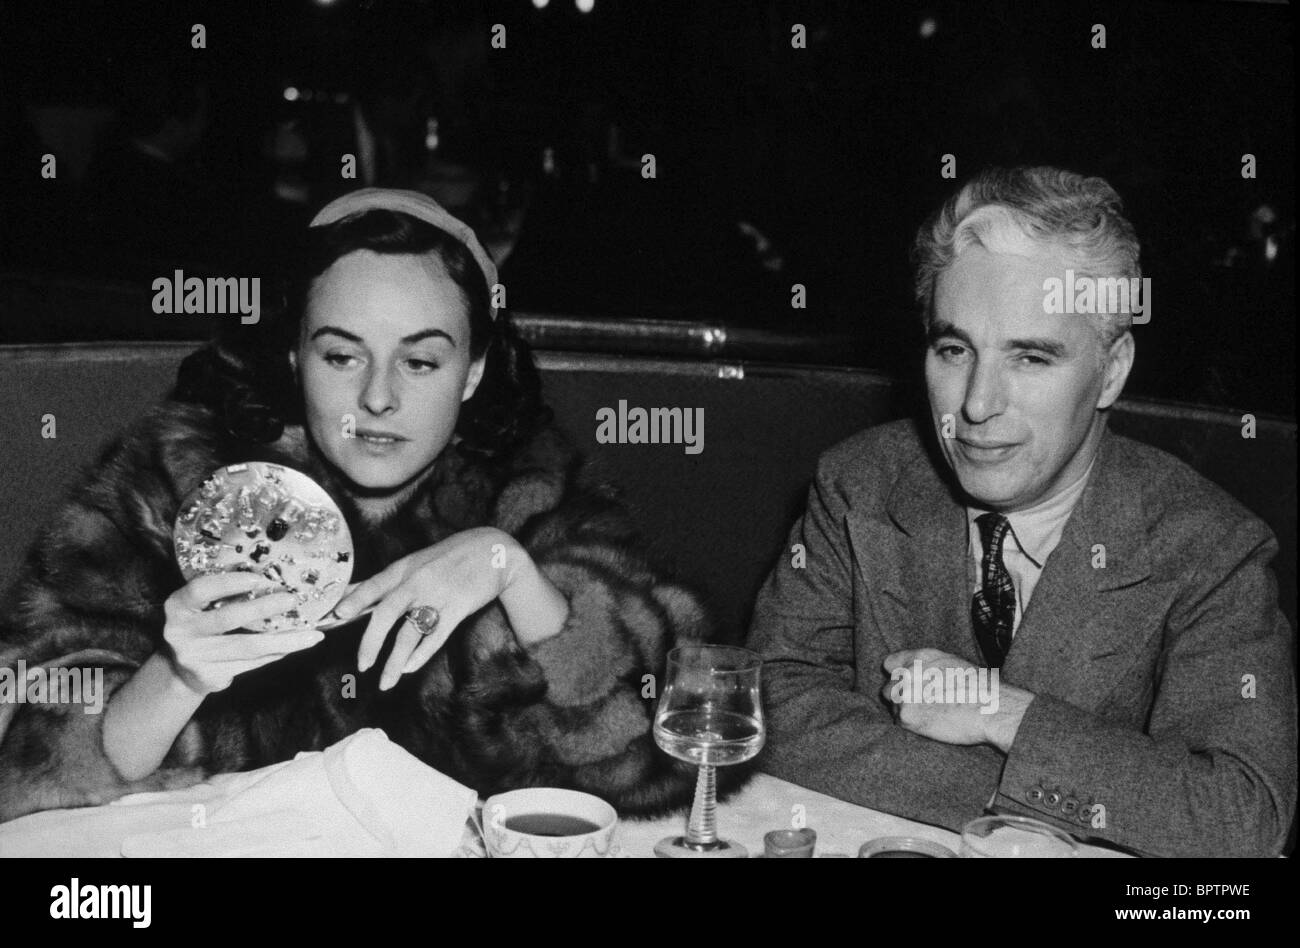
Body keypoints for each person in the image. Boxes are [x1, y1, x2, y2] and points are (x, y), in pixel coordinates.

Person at [0, 188, 715, 823]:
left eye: (421, 361)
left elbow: (667, 764)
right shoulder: (177, 490)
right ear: (293, 358)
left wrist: (515, 574)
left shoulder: (535, 501)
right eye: (342, 356)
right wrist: (177, 674)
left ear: (472, 374)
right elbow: (27, 760)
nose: (378, 398)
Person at [747, 166, 1296, 857]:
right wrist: (1016, 796)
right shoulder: (861, 481)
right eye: (954, 350)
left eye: (1031, 358)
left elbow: (1238, 815)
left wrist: (1002, 712)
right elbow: (772, 699)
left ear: (1113, 368)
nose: (976, 405)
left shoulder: (1209, 548)